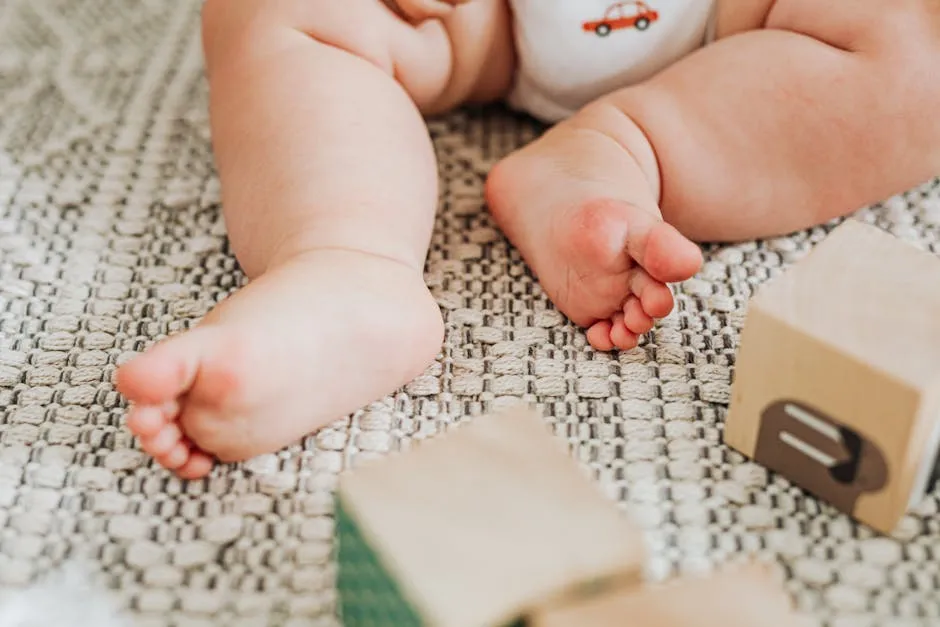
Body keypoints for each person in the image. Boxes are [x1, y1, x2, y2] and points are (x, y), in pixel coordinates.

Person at [115, 0, 940, 479]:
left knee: (918, 57)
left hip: (744, 21)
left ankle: (630, 149)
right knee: (280, 12)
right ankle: (345, 259)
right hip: (486, 21)